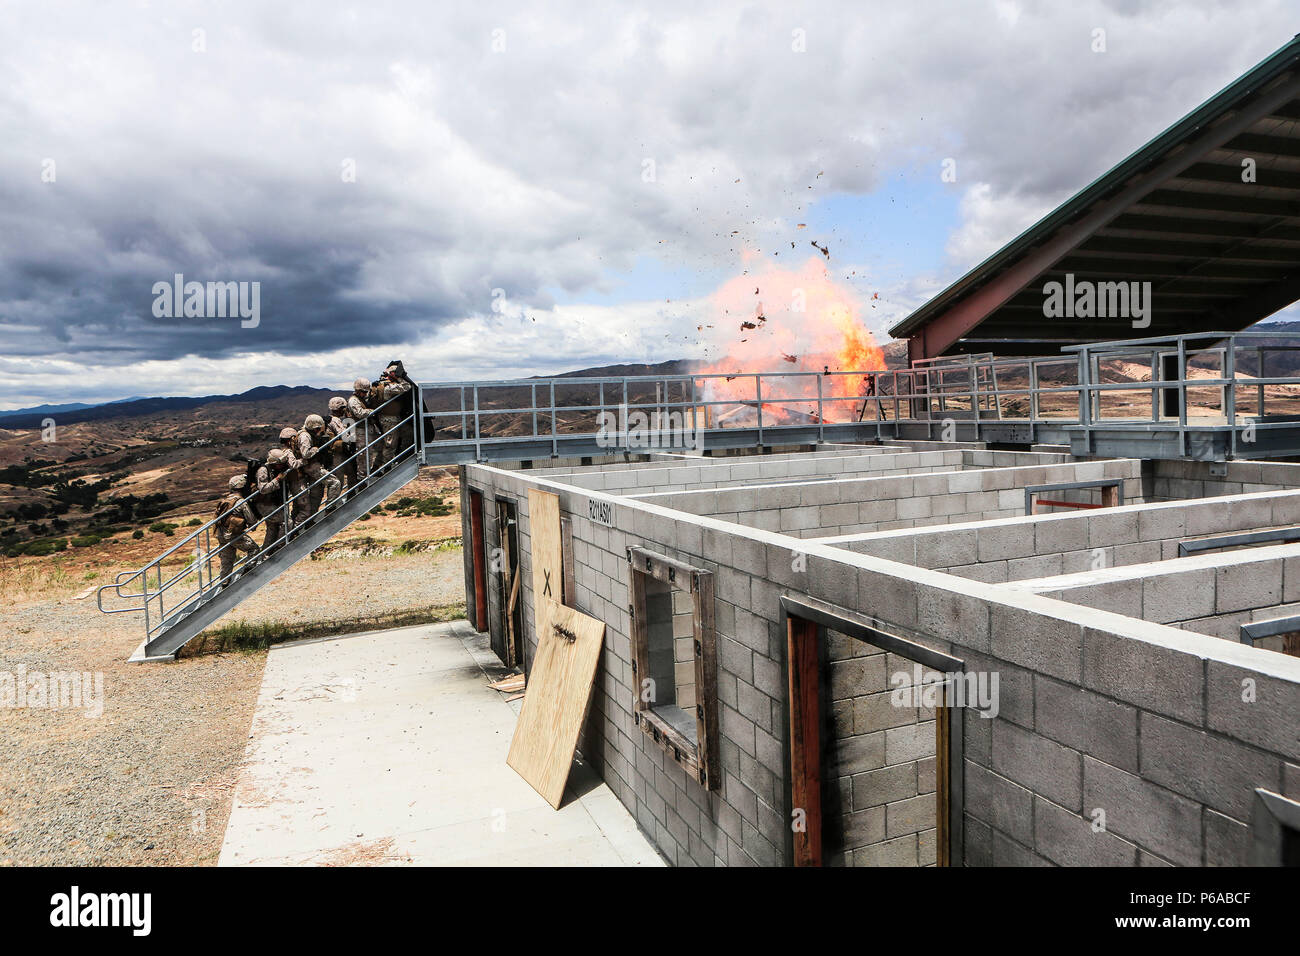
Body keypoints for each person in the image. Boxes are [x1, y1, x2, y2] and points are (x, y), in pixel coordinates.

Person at [213, 474, 259, 586]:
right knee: (254, 549)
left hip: (221, 535)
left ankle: (224, 582)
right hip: (233, 535)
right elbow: (252, 520)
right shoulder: (240, 502)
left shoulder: (225, 501)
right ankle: (247, 571)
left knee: (227, 560)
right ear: (242, 487)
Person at [369, 361, 414, 472]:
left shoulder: (382, 384)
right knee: (390, 444)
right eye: (395, 373)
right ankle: (386, 467)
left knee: (406, 434)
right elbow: (407, 386)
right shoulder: (388, 386)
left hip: (389, 418)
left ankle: (378, 467)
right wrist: (399, 378)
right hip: (389, 419)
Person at [296, 414, 342, 518]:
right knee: (335, 483)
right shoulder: (305, 436)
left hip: (313, 465)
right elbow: (305, 454)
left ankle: (310, 520)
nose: (319, 430)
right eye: (317, 428)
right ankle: (330, 508)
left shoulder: (309, 434)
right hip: (311, 466)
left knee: (316, 495)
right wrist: (316, 449)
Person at [254, 448, 290, 551]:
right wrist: (277, 479)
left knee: (272, 529)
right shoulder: (263, 470)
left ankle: (266, 553)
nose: (282, 466)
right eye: (280, 463)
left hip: (272, 504)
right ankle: (278, 547)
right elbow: (263, 489)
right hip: (265, 505)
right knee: (287, 522)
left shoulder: (275, 469)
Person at [327, 396, 360, 494]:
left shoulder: (330, 420)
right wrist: (350, 421)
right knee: (339, 479)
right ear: (340, 408)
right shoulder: (335, 420)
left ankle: (350, 495)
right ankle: (334, 504)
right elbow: (345, 436)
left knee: (351, 473)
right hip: (337, 455)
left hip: (338, 454)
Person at [278, 426, 307, 523]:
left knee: (296, 508)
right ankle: (295, 528)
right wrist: (305, 461)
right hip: (297, 483)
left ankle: (293, 530)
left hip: (295, 482)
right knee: (306, 510)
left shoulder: (286, 451)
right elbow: (294, 464)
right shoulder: (288, 452)